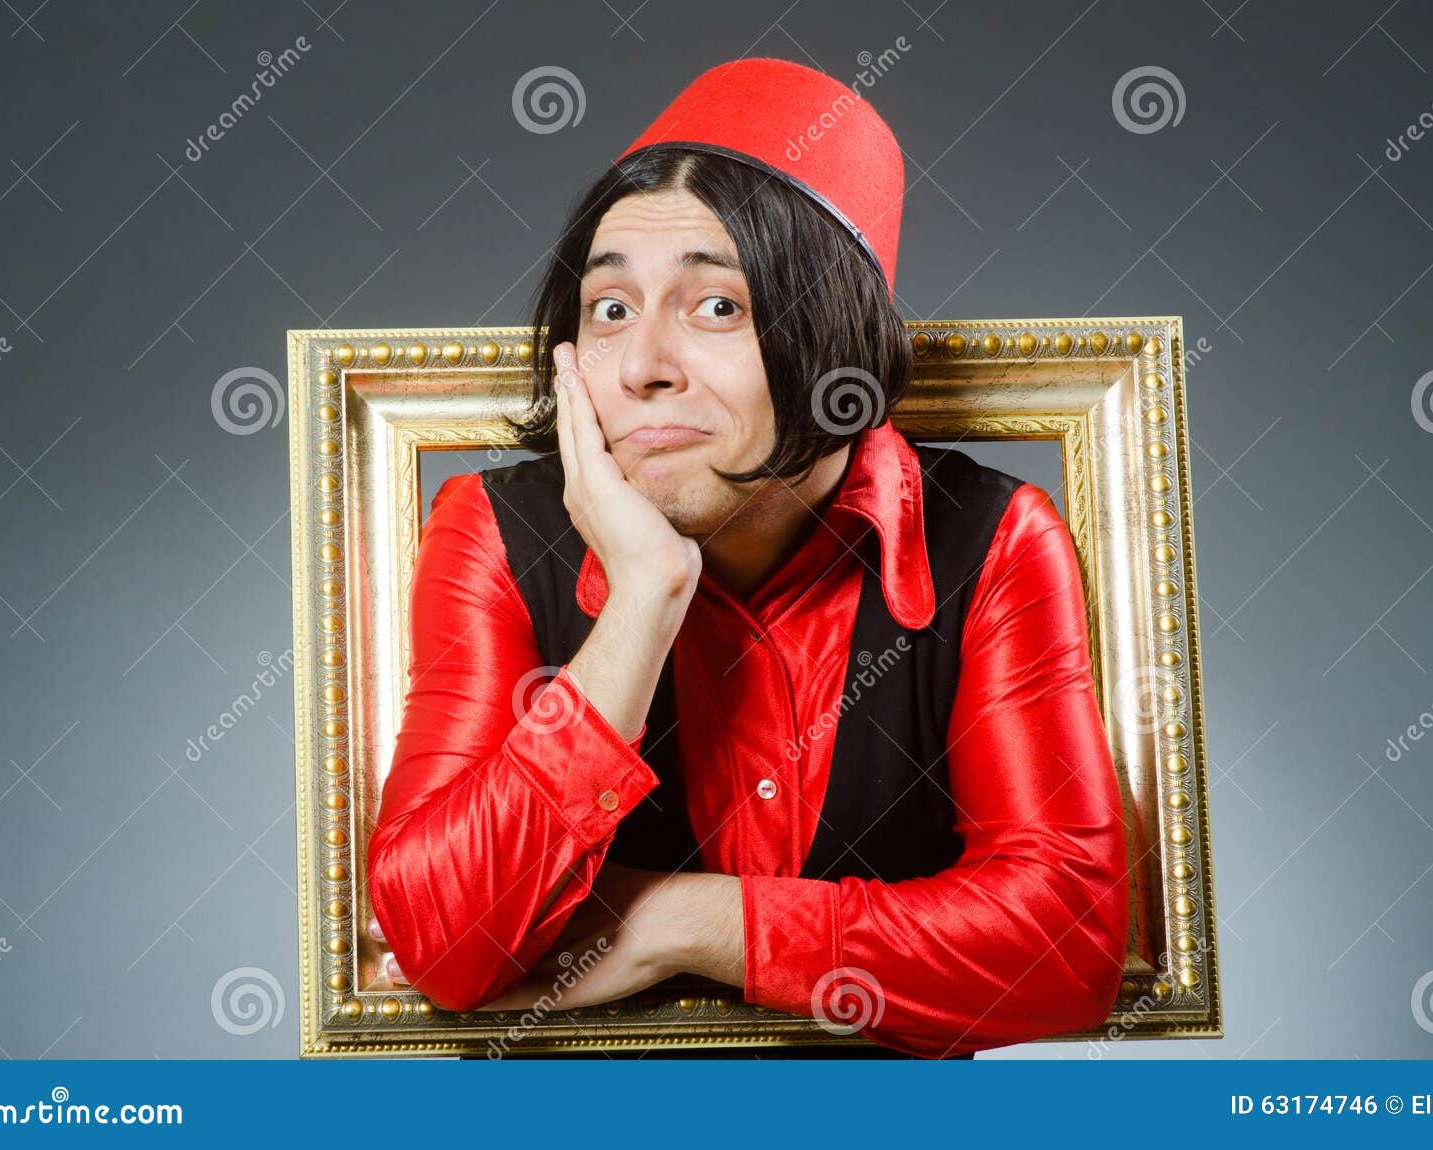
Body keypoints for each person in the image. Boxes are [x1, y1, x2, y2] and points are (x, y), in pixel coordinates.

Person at [365, 57, 1130, 1059]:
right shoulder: (492, 532)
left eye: (714, 305)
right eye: (609, 310)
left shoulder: (990, 540)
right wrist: (640, 602)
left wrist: (695, 921)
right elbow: (444, 940)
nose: (642, 365)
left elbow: (1064, 948)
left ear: (828, 334)